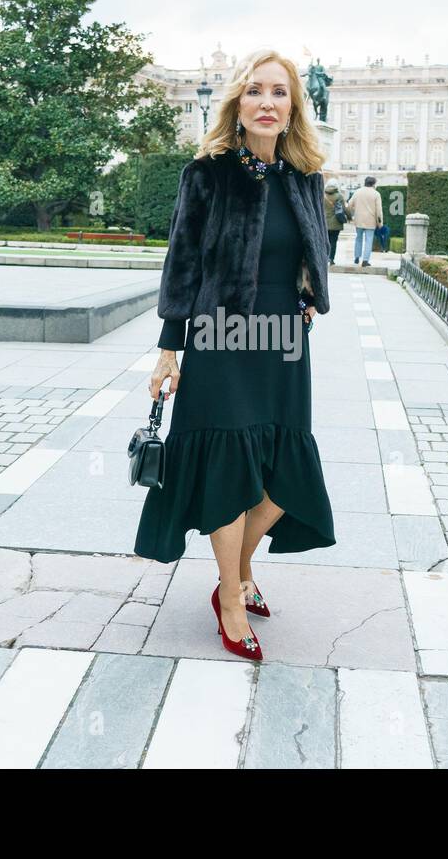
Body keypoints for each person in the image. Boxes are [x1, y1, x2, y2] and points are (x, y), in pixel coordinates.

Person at [135, 48, 337, 662]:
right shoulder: (209, 173)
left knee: (281, 472)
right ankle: (230, 595)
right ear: (237, 103)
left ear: (294, 105)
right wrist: (170, 348)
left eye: (279, 92)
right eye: (255, 92)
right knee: (228, 462)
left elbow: (311, 250)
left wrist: (307, 297)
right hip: (220, 334)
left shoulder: (305, 176)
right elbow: (183, 261)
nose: (267, 103)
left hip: (281, 341)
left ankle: (239, 568)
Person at [346, 175, 383, 267]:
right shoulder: (376, 194)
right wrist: (380, 223)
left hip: (359, 219)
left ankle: (356, 257)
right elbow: (379, 210)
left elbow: (349, 205)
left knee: (358, 239)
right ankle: (365, 260)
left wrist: (351, 215)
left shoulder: (357, 192)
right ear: (373, 184)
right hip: (371, 220)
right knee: (369, 240)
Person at [322, 178, 346, 263]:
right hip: (336, 223)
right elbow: (343, 209)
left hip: (324, 222)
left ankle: (324, 257)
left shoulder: (322, 195)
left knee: (325, 241)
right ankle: (331, 259)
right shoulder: (339, 196)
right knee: (334, 241)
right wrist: (349, 217)